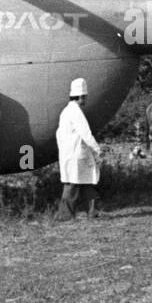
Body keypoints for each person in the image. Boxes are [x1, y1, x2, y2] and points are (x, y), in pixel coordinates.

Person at [56, 77, 102, 221]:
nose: (86, 99)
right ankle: (65, 215)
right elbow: (86, 133)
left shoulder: (66, 111)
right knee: (73, 184)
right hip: (76, 154)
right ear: (81, 96)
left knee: (85, 181)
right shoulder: (75, 112)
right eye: (85, 97)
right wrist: (97, 149)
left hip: (70, 153)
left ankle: (92, 211)